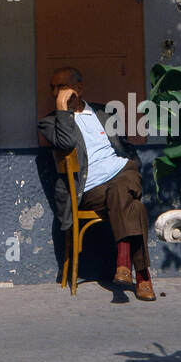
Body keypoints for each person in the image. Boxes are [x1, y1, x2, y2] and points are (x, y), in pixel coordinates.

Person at [39, 65, 155, 301]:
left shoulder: (105, 113)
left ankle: (124, 265)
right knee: (135, 206)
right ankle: (140, 274)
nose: (55, 92)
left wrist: (130, 161)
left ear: (79, 88)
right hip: (91, 189)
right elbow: (66, 143)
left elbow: (124, 146)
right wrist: (62, 109)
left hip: (123, 171)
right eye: (52, 88)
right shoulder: (49, 123)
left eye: (61, 86)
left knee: (122, 184)